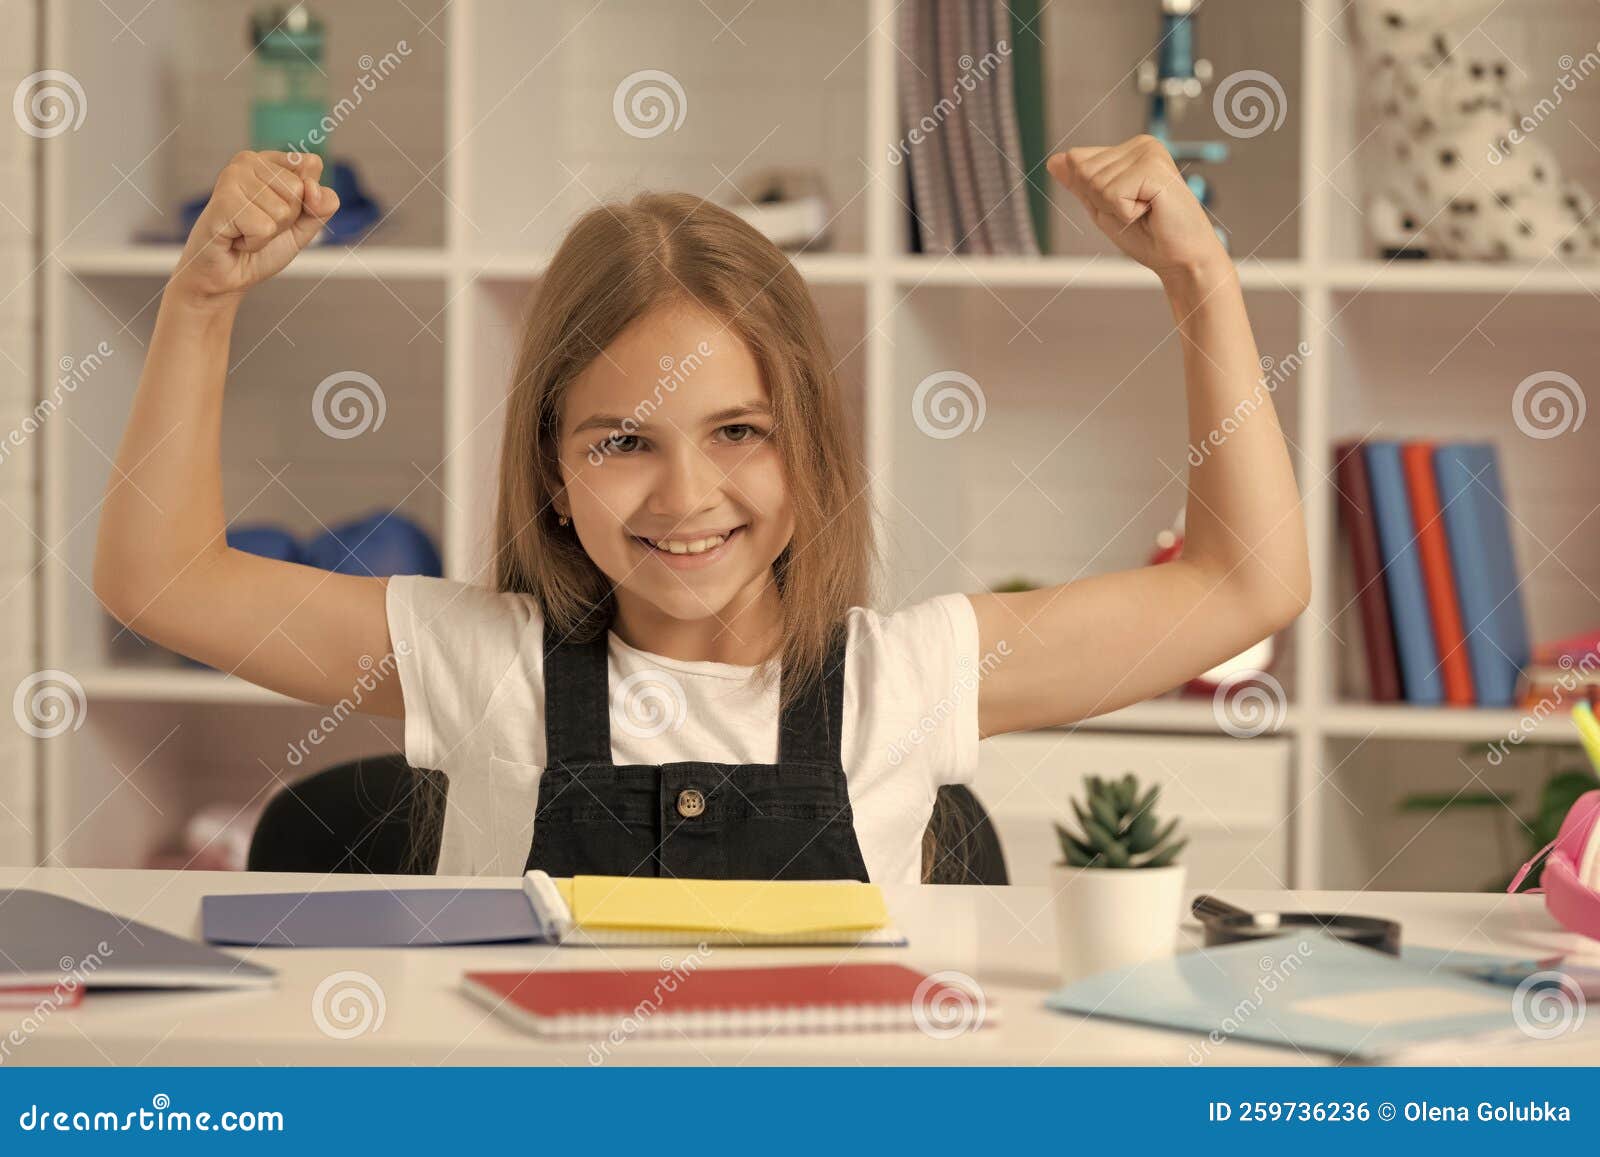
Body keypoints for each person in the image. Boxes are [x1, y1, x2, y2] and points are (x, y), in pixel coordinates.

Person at [96, 140, 1309, 884]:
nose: (686, 497)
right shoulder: (483, 662)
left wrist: (1200, 282)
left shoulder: (910, 674)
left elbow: (1245, 583)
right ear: (554, 475)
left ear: (809, 451)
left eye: (739, 432)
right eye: (622, 442)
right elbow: (162, 578)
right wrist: (203, 302)